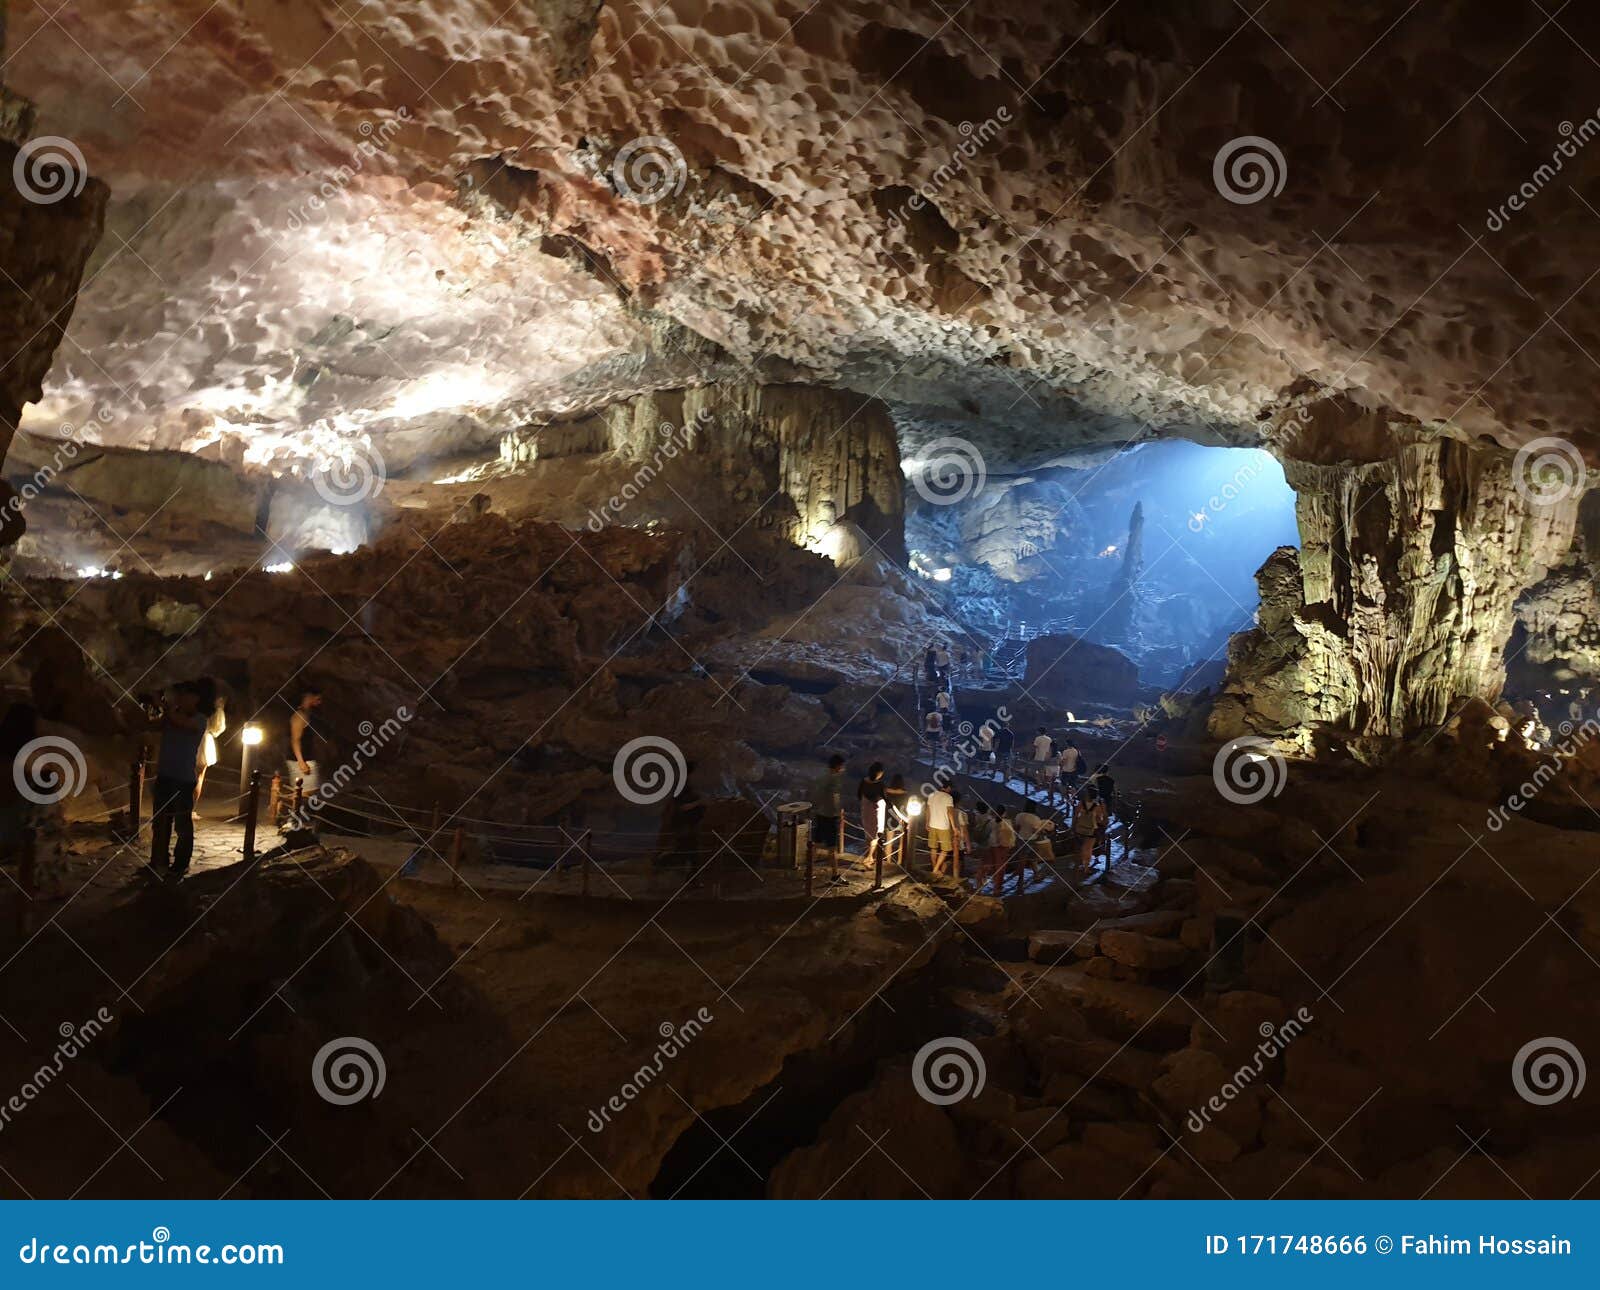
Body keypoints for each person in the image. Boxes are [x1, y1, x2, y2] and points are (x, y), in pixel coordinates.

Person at [149, 682, 207, 880]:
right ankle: (158, 860)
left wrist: (162, 705)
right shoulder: (171, 715)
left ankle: (181, 864)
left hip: (183, 780)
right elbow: (151, 725)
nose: (180, 699)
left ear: (196, 699)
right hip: (165, 776)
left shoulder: (200, 719)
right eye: (179, 695)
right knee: (160, 823)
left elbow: (183, 723)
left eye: (184, 695)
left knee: (182, 826)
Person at [289, 687, 325, 795]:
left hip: (307, 758)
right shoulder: (300, 715)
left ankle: (280, 804)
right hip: (301, 760)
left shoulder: (308, 714)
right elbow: (295, 740)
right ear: (309, 697)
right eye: (318, 699)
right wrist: (301, 762)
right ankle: (278, 803)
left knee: (307, 793)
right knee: (304, 793)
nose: (320, 702)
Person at [193, 682, 226, 798]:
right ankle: (191, 805)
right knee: (198, 777)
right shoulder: (214, 707)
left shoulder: (192, 703)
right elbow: (218, 728)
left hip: (192, 738)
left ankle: (184, 805)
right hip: (205, 742)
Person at [810, 754, 846, 859]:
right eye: (842, 766)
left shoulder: (823, 776)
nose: (843, 768)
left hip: (820, 812)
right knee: (832, 844)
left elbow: (817, 794)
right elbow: (834, 797)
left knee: (817, 839)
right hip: (830, 814)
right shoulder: (834, 779)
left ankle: (811, 863)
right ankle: (834, 868)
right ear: (838, 766)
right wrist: (838, 812)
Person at [1071, 787, 1108, 877]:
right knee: (1088, 848)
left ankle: (1081, 864)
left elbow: (1075, 815)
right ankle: (1086, 868)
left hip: (1080, 828)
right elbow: (1100, 820)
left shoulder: (1081, 803)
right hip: (1091, 830)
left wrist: (1073, 826)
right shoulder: (1097, 806)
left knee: (1082, 847)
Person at [857, 763, 887, 868]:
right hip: (877, 810)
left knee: (869, 834)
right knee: (875, 835)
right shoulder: (880, 784)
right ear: (879, 773)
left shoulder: (864, 781)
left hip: (866, 809)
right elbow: (885, 798)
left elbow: (859, 795)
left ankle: (869, 857)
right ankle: (869, 858)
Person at [925, 783, 954, 877]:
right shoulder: (948, 797)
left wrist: (927, 822)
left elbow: (928, 810)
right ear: (948, 787)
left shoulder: (931, 795)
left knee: (933, 848)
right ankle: (936, 869)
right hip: (943, 826)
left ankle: (935, 868)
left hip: (932, 824)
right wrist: (954, 827)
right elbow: (950, 813)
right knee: (945, 849)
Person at [989, 805, 1017, 895]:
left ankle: (995, 883)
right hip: (1004, 846)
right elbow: (1011, 835)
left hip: (993, 845)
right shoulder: (1007, 822)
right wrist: (1012, 844)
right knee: (1001, 866)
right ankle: (997, 887)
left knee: (996, 864)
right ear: (1004, 812)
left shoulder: (992, 821)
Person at [966, 801, 992, 887]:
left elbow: (975, 827)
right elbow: (989, 831)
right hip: (987, 842)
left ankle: (980, 878)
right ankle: (980, 878)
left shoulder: (977, 816)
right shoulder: (989, 818)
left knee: (982, 861)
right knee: (986, 862)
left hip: (979, 841)